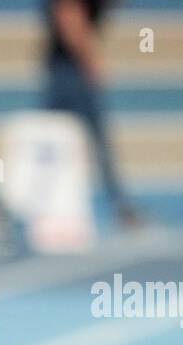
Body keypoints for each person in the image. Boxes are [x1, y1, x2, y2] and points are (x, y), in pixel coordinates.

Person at [44, 0, 140, 225]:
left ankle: (10, 207)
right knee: (93, 140)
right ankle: (121, 206)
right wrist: (91, 61)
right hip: (69, 71)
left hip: (65, 67)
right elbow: (68, 17)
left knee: (48, 137)